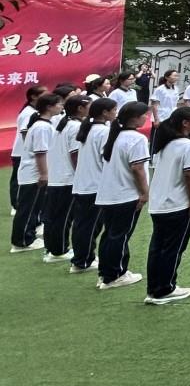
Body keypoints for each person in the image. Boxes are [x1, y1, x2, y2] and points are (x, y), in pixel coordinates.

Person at [144, 106, 190, 305]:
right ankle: (165, 288)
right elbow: (189, 175)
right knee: (173, 248)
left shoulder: (164, 145)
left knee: (158, 247)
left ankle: (154, 288)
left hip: (159, 203)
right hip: (177, 204)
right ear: (185, 123)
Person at [94, 101, 153, 289]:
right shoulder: (137, 139)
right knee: (120, 235)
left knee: (110, 235)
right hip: (125, 195)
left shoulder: (116, 136)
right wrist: (144, 193)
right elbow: (137, 168)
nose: (146, 118)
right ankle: (114, 275)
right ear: (135, 118)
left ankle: (105, 273)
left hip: (109, 194)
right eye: (144, 115)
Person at [69, 97, 116, 273]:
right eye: (114, 110)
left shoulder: (88, 128)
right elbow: (106, 159)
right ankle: (83, 261)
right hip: (94, 185)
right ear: (105, 113)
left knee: (82, 224)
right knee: (90, 226)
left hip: (83, 183)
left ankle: (81, 258)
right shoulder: (103, 131)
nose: (116, 113)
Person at [10, 93, 62, 253]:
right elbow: (40, 152)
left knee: (33, 207)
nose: (61, 107)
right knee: (28, 208)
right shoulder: (42, 127)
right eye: (58, 104)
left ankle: (28, 235)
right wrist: (44, 174)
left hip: (34, 172)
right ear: (49, 107)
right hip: (33, 173)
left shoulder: (43, 124)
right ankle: (22, 242)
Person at [42, 95, 89, 263]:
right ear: (80, 108)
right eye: (89, 106)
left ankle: (52, 248)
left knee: (54, 216)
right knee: (64, 217)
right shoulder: (75, 126)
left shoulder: (65, 123)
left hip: (58, 176)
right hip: (67, 178)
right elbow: (75, 154)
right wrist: (81, 174)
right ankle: (59, 250)